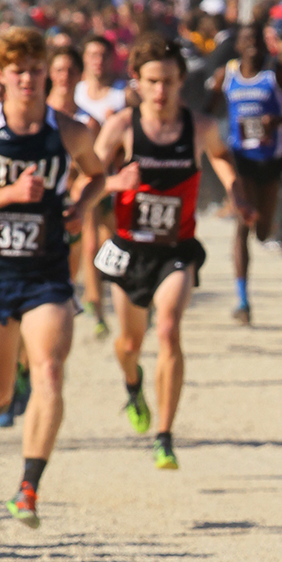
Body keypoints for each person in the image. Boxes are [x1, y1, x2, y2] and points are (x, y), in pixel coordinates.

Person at [0, 26, 106, 528]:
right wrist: (9, 195)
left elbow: (98, 174)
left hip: (47, 273)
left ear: (47, 74)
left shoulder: (69, 131)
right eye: (18, 71)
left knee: (52, 372)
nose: (28, 80)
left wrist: (81, 207)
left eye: (36, 71)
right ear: (1, 75)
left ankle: (28, 488)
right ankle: (11, 382)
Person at [92, 34, 256, 470]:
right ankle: (133, 384)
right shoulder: (122, 127)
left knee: (167, 328)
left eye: (168, 81)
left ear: (181, 81)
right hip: (130, 249)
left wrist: (236, 193)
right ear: (137, 81)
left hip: (176, 249)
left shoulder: (199, 126)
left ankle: (164, 435)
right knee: (129, 343)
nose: (160, 91)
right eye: (152, 81)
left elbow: (221, 156)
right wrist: (114, 182)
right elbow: (85, 178)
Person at [206, 23, 282, 324]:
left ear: (264, 45)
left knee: (262, 231)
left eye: (257, 40)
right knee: (242, 224)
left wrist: (277, 121)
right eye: (246, 40)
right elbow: (207, 111)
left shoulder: (276, 74)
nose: (252, 45)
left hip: (271, 161)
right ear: (238, 46)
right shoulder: (227, 75)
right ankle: (242, 301)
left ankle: (264, 228)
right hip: (241, 160)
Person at [47, 45, 111, 339]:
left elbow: (96, 169)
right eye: (59, 70)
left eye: (71, 71)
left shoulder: (88, 123)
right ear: (50, 74)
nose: (65, 76)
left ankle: (92, 309)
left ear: (79, 75)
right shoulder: (37, 116)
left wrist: (77, 180)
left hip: (77, 199)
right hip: (42, 201)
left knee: (89, 246)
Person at [75, 35, 128, 125]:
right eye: (94, 55)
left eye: (104, 56)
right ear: (84, 57)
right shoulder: (76, 90)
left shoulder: (124, 91)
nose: (99, 61)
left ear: (111, 58)